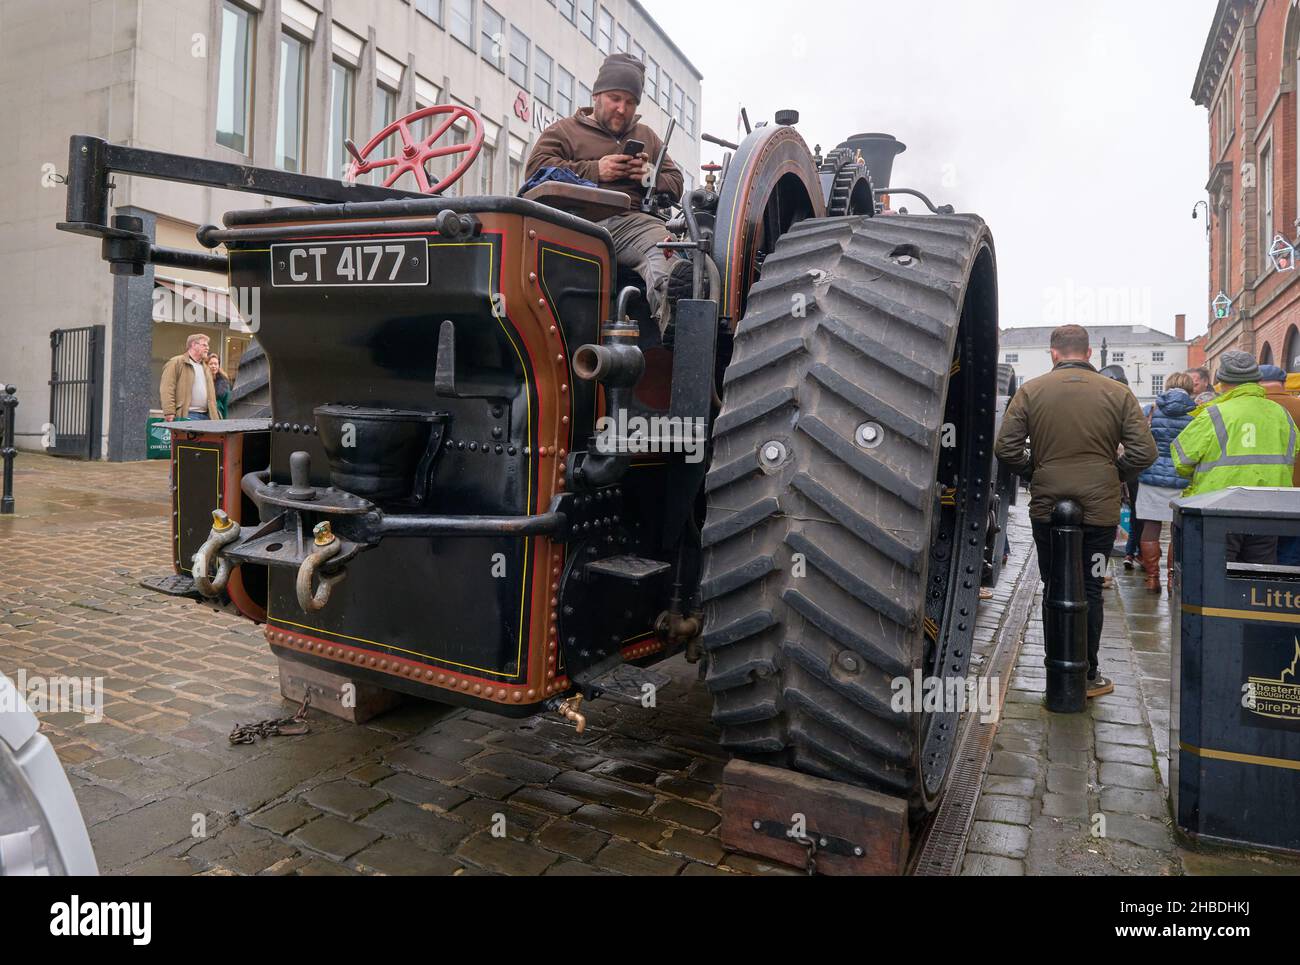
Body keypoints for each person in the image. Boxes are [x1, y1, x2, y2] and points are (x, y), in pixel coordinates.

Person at [995, 324, 1156, 698]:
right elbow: (1145, 452)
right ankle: (1088, 673)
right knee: (1093, 586)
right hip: (1100, 515)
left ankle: (1057, 667)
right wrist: (1114, 474)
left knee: (1054, 584)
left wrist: (1035, 470)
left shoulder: (1031, 391)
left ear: (1054, 353)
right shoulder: (1118, 393)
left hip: (1048, 507)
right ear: (1087, 352)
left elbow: (1006, 448)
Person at [525, 52, 684, 334]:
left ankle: (674, 328)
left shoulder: (647, 136)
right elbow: (536, 171)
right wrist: (596, 170)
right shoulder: (564, 132)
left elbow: (675, 183)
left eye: (631, 102)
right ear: (597, 95)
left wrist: (648, 176)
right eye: (615, 98)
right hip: (573, 222)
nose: (622, 109)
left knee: (668, 253)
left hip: (631, 223)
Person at [1172, 351, 1297, 564]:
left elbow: (1182, 460)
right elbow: (1293, 452)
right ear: (1257, 380)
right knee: (1258, 579)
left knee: (1216, 576)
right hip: (1269, 510)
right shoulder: (1280, 414)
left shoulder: (1213, 414)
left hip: (1218, 509)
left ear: (1221, 381)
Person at [1134, 371, 1197, 592]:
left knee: (1150, 527)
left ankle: (1152, 578)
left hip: (1151, 477)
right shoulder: (1196, 417)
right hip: (1181, 479)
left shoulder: (1150, 411)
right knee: (1176, 529)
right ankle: (1172, 579)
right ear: (1191, 390)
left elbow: (1137, 440)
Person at [160, 333, 219, 422]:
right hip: (188, 414)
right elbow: (167, 388)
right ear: (194, 345)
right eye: (204, 345)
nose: (208, 348)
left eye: (207, 345)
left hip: (207, 416)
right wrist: (169, 412)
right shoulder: (176, 362)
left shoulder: (206, 368)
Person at [207, 353, 232, 419]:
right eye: (211, 364)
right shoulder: (202, 379)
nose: (213, 366)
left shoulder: (224, 381)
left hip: (218, 414)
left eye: (216, 364)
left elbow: (226, 403)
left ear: (219, 366)